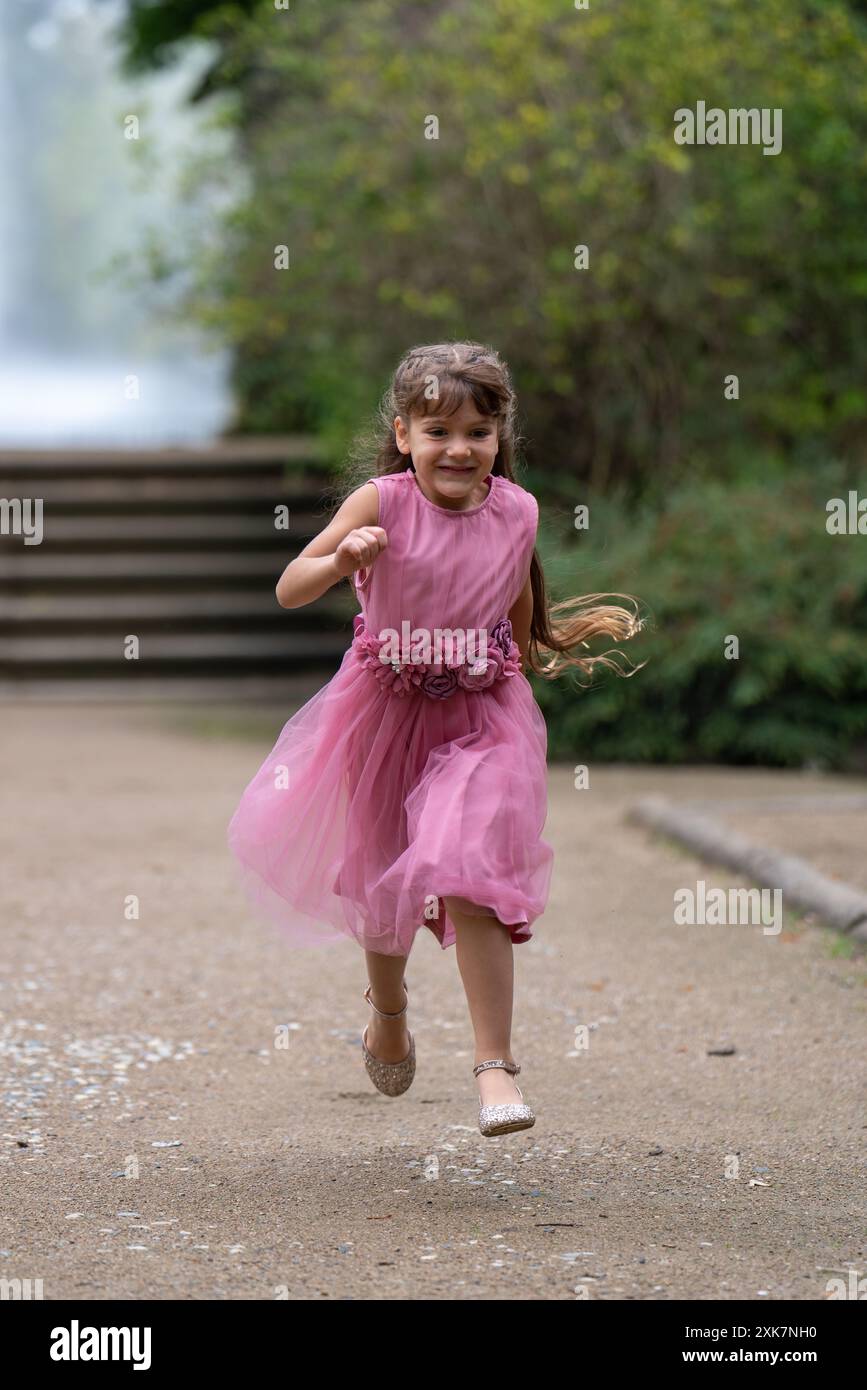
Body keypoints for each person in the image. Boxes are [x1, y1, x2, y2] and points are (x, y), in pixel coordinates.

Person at [227, 341, 644, 1135]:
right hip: (384, 714)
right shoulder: (378, 503)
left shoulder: (516, 511)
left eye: (477, 433)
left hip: (483, 716)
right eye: (437, 431)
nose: (458, 449)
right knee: (384, 881)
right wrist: (341, 556)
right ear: (404, 433)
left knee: (470, 869)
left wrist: (515, 675)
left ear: (499, 437)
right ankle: (387, 1014)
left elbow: (514, 609)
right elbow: (289, 587)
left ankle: (495, 1068)